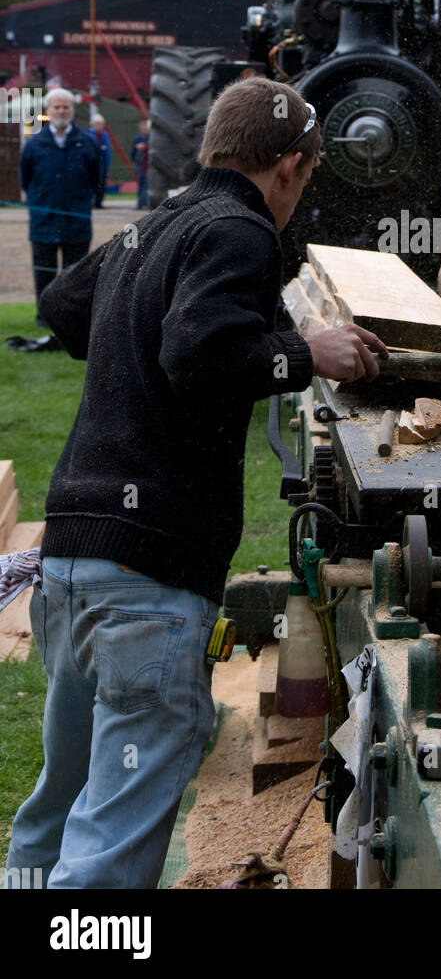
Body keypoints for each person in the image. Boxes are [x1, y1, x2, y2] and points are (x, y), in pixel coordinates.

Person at [4, 77, 388, 890]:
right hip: (146, 577)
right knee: (108, 842)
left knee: (57, 802)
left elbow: (64, 304)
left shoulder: (168, 218)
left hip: (72, 557)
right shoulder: (239, 230)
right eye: (306, 180)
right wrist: (302, 353)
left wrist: (135, 312)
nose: (296, 197)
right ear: (287, 166)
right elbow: (198, 353)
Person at [18, 88, 100, 328]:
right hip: (43, 220)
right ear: (48, 111)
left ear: (73, 110)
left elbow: (96, 178)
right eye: (57, 107)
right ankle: (44, 316)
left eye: (66, 107)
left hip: (77, 221)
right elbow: (26, 177)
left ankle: (71, 319)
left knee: (75, 273)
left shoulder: (87, 143)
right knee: (44, 271)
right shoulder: (35, 144)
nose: (61, 111)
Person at [89, 113, 111, 207]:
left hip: (103, 164)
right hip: (92, 165)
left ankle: (99, 202)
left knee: (101, 185)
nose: (99, 125)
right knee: (92, 184)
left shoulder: (105, 135)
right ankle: (92, 202)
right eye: (97, 123)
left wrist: (107, 163)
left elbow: (107, 151)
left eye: (101, 123)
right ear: (93, 124)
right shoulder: (89, 135)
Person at [131, 116, 150, 209]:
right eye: (142, 126)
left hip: (147, 166)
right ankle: (140, 204)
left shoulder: (150, 138)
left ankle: (144, 203)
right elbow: (133, 153)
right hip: (139, 166)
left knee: (145, 186)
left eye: (145, 126)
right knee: (141, 185)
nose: (144, 128)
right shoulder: (137, 139)